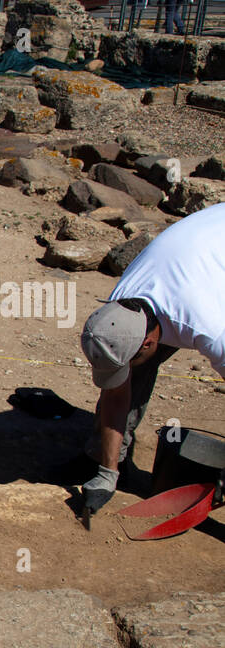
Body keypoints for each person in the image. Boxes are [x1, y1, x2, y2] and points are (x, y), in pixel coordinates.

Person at [75, 203, 225, 516]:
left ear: (150, 341)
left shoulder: (207, 327)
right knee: (135, 367)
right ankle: (106, 461)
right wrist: (107, 472)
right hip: (201, 251)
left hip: (207, 266)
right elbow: (117, 394)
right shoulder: (121, 309)